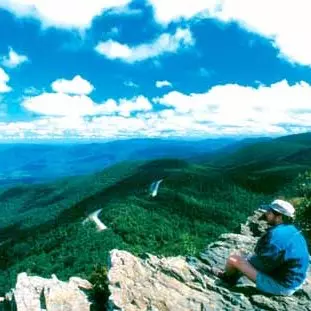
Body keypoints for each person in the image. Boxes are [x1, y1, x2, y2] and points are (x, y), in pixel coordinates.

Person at [215, 199, 310, 296]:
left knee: (233, 259)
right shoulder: (293, 230)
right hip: (296, 280)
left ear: (279, 217)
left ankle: (228, 279)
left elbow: (262, 263)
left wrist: (244, 262)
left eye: (269, 211)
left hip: (282, 287)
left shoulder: (276, 237)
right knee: (246, 258)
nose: (266, 213)